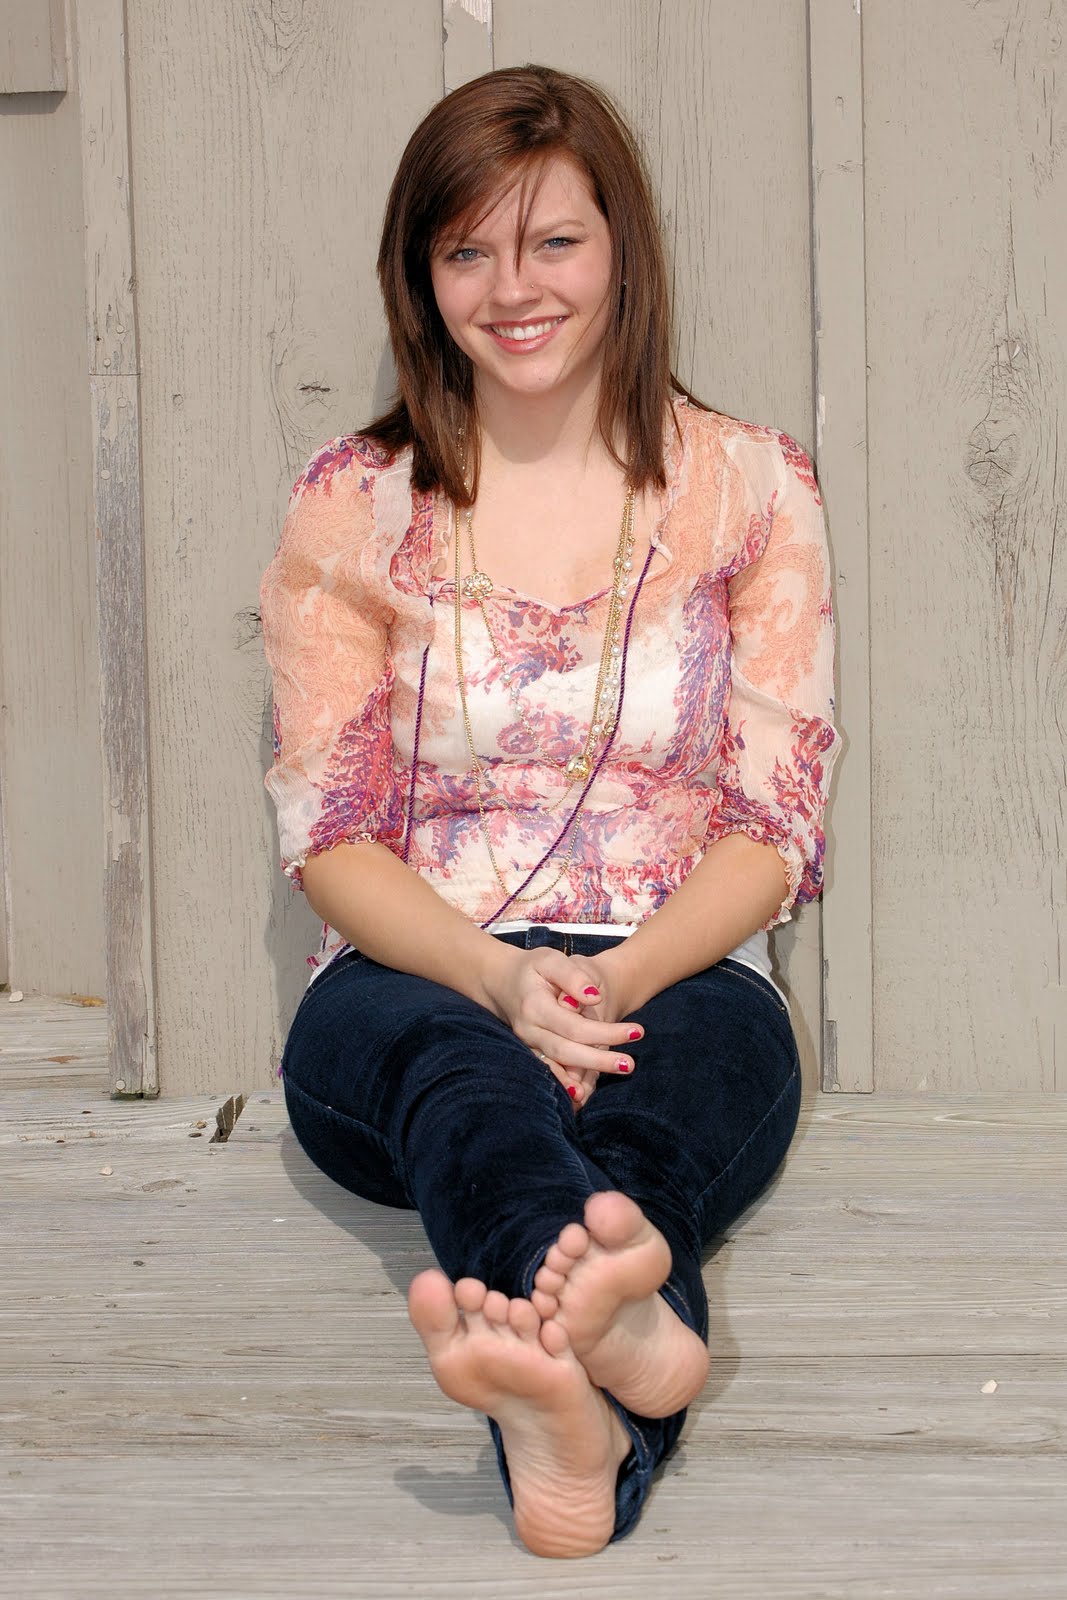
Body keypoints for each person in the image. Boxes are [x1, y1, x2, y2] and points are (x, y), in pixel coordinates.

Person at [259, 64, 841, 1559]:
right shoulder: (358, 502)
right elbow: (331, 839)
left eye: (553, 243)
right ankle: (626, 1342)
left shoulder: (750, 489)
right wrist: (503, 979)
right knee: (468, 1083)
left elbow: (770, 826)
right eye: (467, 250)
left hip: (680, 968)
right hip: (416, 974)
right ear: (422, 275)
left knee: (653, 1119)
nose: (511, 289)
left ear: (622, 250)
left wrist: (616, 979)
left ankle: (576, 1437)